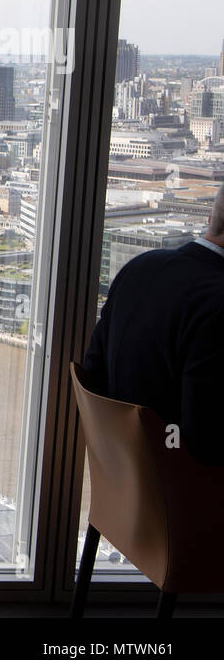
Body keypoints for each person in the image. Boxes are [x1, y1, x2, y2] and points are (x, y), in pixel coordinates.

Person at [81, 182, 224, 466]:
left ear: (210, 218)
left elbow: (92, 373)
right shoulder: (219, 306)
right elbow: (204, 441)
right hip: (181, 486)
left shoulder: (140, 266)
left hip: (117, 472)